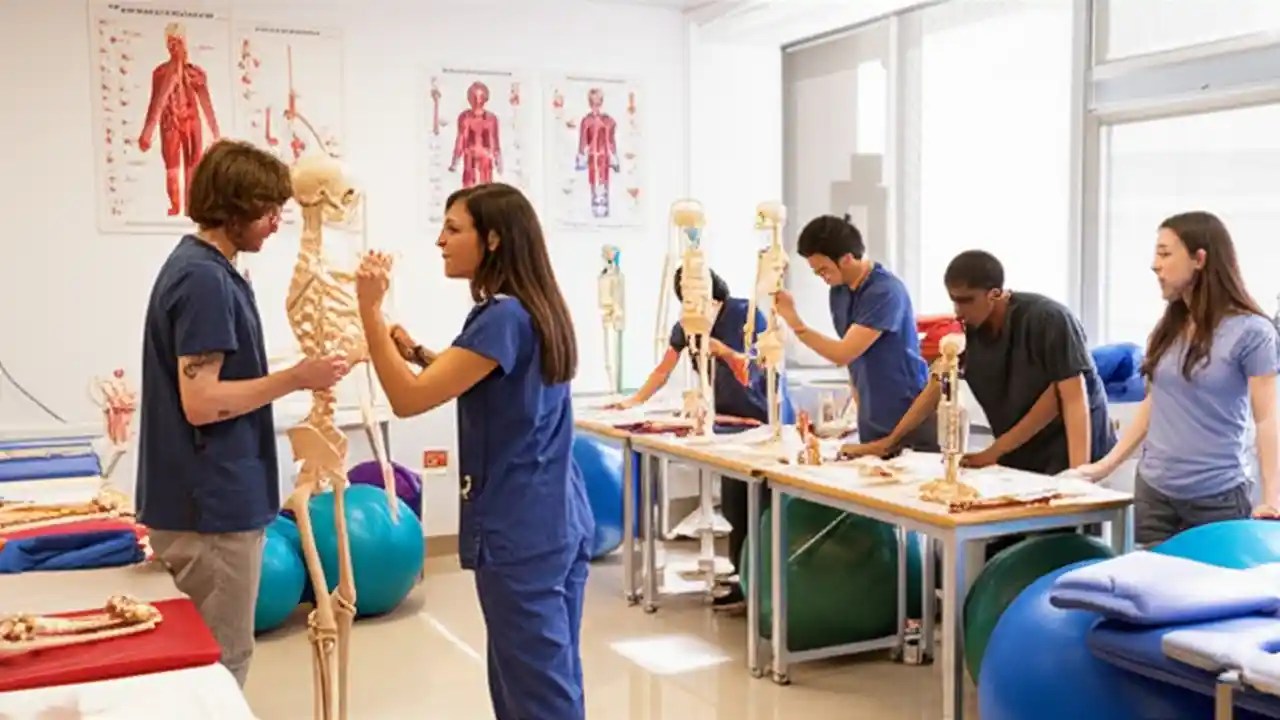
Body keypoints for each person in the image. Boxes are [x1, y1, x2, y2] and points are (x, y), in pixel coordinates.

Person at [355, 183, 593, 720]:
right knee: (543, 675)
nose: (440, 240)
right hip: (555, 516)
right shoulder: (533, 307)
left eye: (453, 229)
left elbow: (409, 398)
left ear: (493, 239)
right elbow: (482, 377)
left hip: (522, 528)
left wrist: (369, 312)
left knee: (535, 692)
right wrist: (412, 349)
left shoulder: (503, 318)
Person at [137, 139, 348, 686]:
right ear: (233, 206)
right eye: (266, 210)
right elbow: (202, 402)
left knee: (206, 662)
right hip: (211, 510)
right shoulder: (204, 279)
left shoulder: (209, 270)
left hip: (207, 500)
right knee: (219, 666)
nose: (276, 223)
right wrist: (297, 378)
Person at [1073, 212, 1280, 545]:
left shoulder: (1252, 332)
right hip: (1155, 493)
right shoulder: (1167, 329)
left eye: (1165, 253)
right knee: (1150, 589)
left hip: (1217, 498)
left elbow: (1267, 419)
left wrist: (1274, 498)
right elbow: (1155, 402)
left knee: (1210, 593)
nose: (1155, 265)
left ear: (1199, 259)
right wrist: (1104, 466)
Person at [615, 266, 794, 611]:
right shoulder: (687, 326)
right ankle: (744, 584)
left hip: (762, 420)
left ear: (715, 296)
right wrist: (632, 402)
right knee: (735, 506)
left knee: (762, 507)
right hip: (727, 424)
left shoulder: (745, 315)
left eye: (701, 303)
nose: (695, 313)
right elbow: (664, 368)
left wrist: (722, 350)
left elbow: (756, 371)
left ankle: (768, 589)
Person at [844, 250, 1115, 477]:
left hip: (1072, 445)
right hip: (1020, 450)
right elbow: (937, 384)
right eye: (954, 300)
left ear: (995, 294)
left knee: (1066, 534)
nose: (958, 310)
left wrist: (1081, 476)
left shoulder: (1049, 319)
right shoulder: (970, 330)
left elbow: (1070, 398)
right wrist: (889, 443)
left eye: (966, 300)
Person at [774, 214, 936, 449]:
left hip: (904, 411)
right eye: (817, 272)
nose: (822, 277)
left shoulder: (885, 291)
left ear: (847, 259)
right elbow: (854, 361)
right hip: (870, 413)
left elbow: (843, 354)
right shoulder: (839, 291)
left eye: (824, 270)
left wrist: (795, 322)